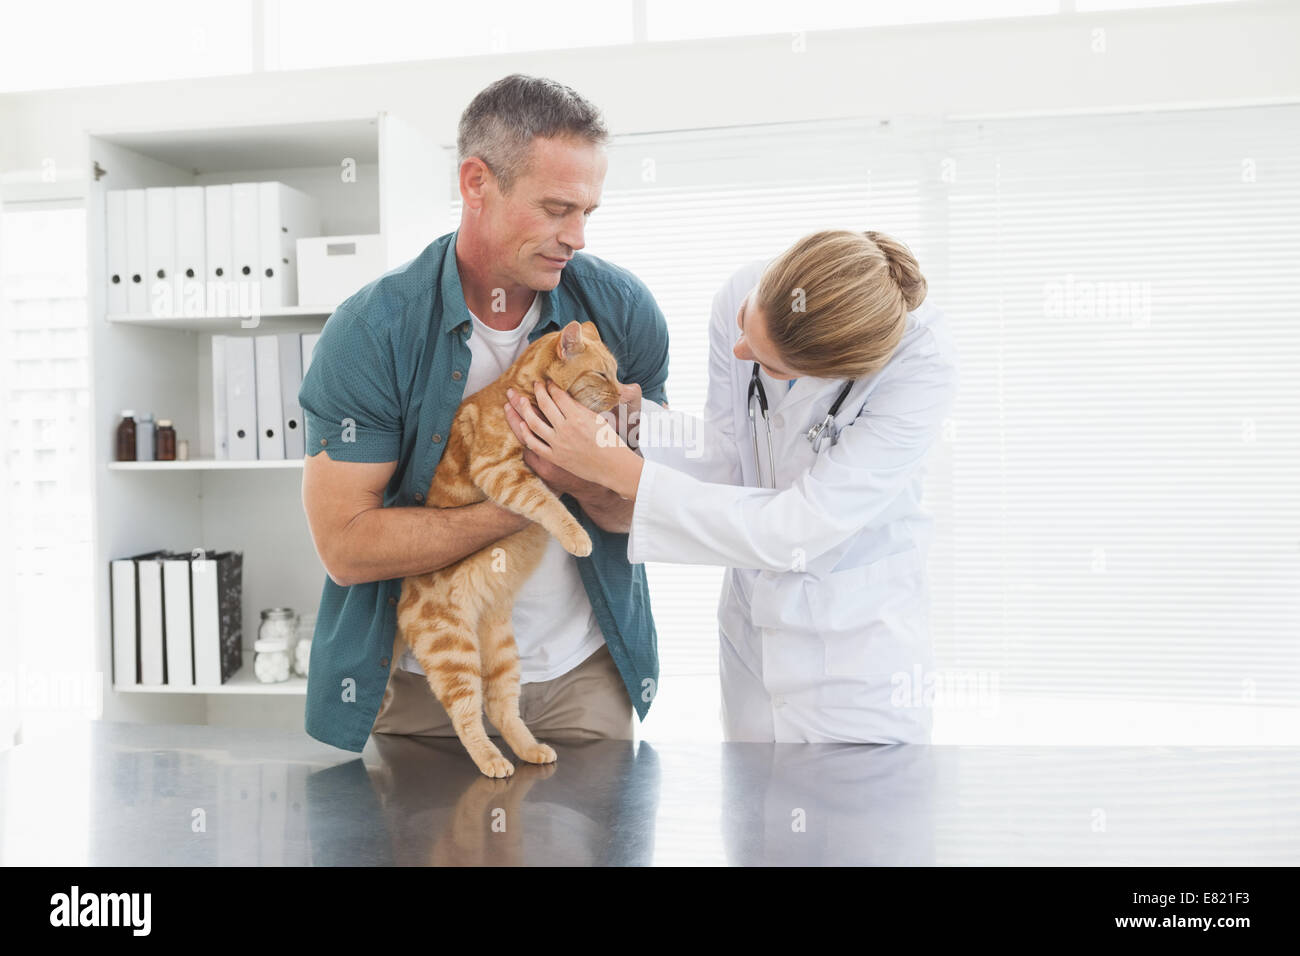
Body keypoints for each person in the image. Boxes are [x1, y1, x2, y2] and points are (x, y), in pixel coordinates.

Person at [298, 74, 670, 753]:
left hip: (581, 678)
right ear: (477, 183)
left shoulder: (621, 315)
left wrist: (596, 474)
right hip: (425, 682)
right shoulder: (371, 333)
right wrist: (539, 489)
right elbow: (347, 549)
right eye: (557, 208)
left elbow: (648, 510)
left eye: (589, 210)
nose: (578, 236)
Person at [503, 229, 959, 744]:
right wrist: (635, 424)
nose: (741, 349)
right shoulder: (740, 290)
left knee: (862, 818)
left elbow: (798, 529)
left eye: (767, 364)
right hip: (751, 638)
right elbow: (730, 452)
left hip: (857, 659)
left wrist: (614, 468)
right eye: (746, 323)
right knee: (751, 813)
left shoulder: (919, 363)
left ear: (832, 372)